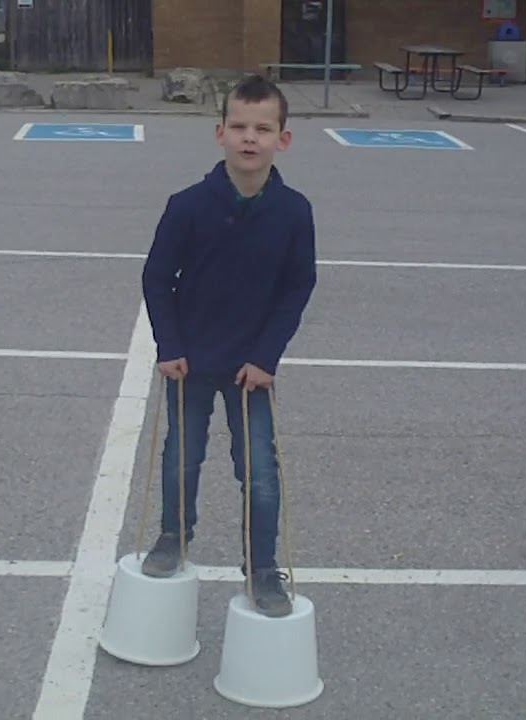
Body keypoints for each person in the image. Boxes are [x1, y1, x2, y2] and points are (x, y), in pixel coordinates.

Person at [139, 74, 317, 618]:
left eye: (263, 128)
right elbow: (155, 277)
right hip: (190, 362)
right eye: (238, 126)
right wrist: (168, 344)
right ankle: (174, 535)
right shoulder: (188, 204)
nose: (249, 137)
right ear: (219, 133)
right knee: (182, 458)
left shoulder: (293, 211)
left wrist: (267, 356)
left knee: (259, 470)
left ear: (282, 139)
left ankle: (262, 565)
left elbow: (297, 286)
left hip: (250, 371)